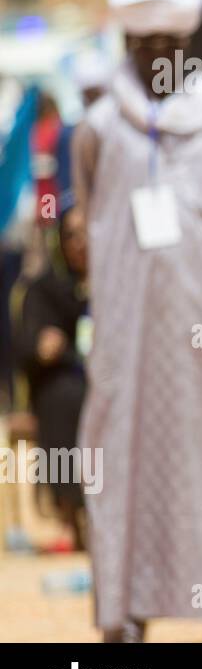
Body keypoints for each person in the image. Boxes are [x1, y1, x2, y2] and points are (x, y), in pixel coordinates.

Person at [72, 0, 202, 642]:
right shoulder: (98, 126)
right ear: (125, 38)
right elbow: (87, 210)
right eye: (142, 40)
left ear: (188, 41)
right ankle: (123, 615)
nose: (156, 53)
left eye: (168, 41)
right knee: (121, 457)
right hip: (127, 337)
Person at [13, 204, 89, 548]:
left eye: (86, 232)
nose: (79, 242)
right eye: (71, 234)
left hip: (114, 387)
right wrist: (45, 344)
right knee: (65, 398)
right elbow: (28, 346)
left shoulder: (118, 286)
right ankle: (68, 512)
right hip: (61, 386)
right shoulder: (46, 288)